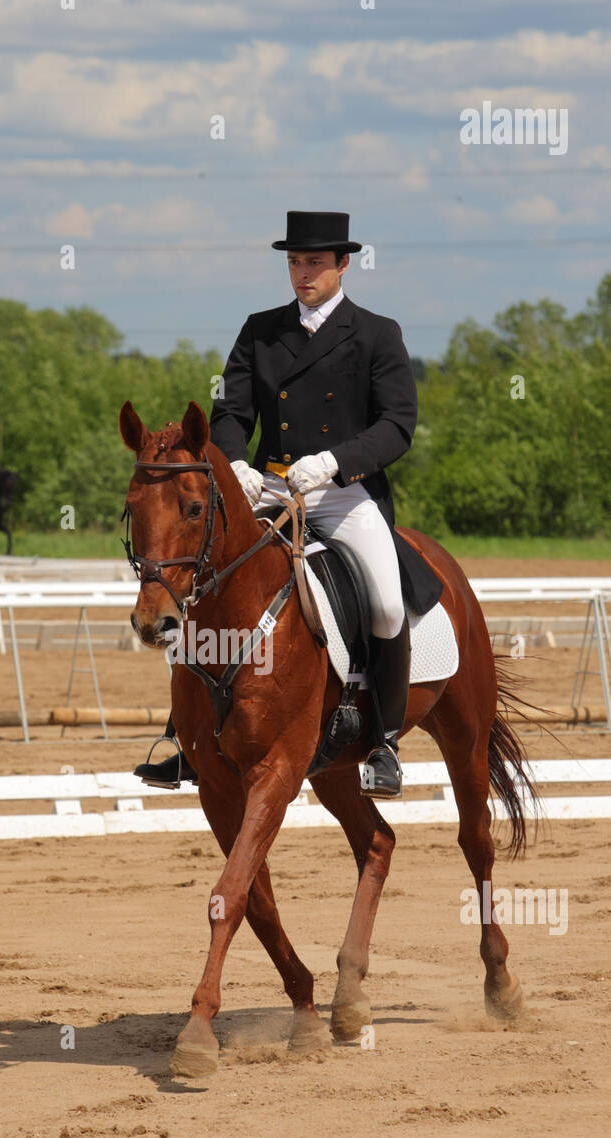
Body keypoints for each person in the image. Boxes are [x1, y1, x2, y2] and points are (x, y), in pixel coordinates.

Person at [136, 210, 418, 799]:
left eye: (315, 262)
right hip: (267, 488)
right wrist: (236, 462)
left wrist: (336, 461)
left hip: (341, 492)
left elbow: (397, 425)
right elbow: (231, 412)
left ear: (344, 264)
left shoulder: (376, 333)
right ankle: (185, 736)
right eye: (294, 262)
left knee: (388, 606)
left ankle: (386, 743)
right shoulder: (261, 330)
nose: (303, 273)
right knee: (208, 580)